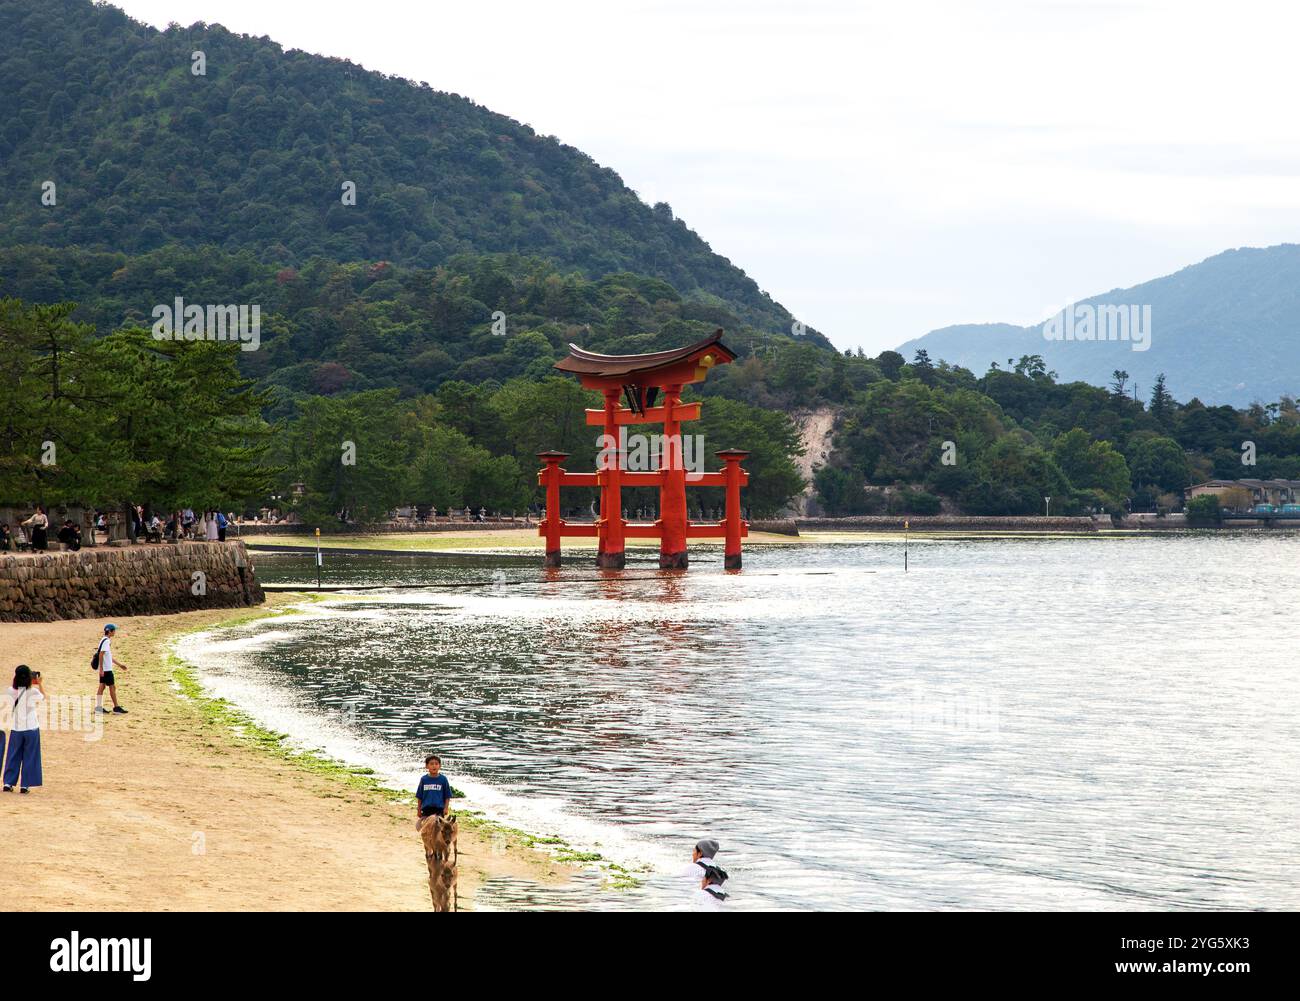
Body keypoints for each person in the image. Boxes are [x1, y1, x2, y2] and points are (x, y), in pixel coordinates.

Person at [4, 665, 45, 793]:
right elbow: (43, 697)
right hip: (31, 728)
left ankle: (8, 783)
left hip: (16, 728)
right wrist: (39, 684)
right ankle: (25, 785)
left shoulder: (10, 690)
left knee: (13, 755)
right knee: (30, 756)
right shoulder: (33, 692)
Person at [679, 838, 730, 909]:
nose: (692, 853)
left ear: (700, 853)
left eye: (694, 850)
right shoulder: (719, 871)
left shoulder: (691, 868)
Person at [94, 623, 129, 714]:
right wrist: (101, 669)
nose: (115, 632)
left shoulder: (103, 640)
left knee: (102, 686)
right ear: (110, 631)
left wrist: (120, 665)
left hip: (105, 669)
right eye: (114, 630)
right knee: (112, 687)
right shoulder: (106, 641)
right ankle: (116, 707)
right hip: (106, 670)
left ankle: (98, 707)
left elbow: (108, 657)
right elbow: (101, 654)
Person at [414, 755, 455, 830]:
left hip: (439, 809)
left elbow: (447, 796)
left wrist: (446, 808)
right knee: (426, 828)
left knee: (438, 828)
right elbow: (420, 796)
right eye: (431, 764)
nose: (434, 766)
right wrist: (419, 810)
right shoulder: (424, 779)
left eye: (436, 764)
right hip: (426, 808)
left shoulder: (443, 779)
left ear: (440, 766)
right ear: (427, 766)